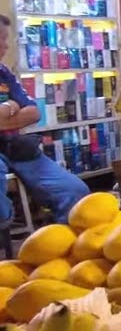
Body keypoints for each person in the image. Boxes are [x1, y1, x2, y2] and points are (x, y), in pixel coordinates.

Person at [0, 15, 90, 224]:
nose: (5, 46)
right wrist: (11, 106)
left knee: (76, 192)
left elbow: (34, 112)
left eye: (6, 39)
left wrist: (6, 109)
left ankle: (60, 246)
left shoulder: (4, 73)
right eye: (1, 38)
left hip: (16, 149)